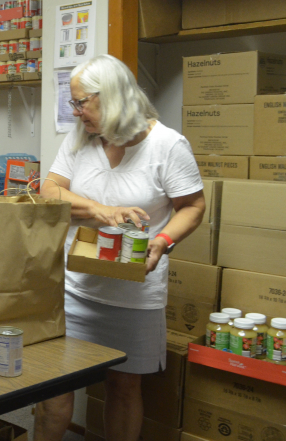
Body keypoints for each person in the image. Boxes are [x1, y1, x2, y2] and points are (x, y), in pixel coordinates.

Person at [35, 55, 205, 441]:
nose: (75, 112)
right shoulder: (80, 138)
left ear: (110, 97)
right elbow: (50, 192)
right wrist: (101, 210)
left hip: (134, 293)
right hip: (75, 287)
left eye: (81, 102)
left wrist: (162, 242)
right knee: (54, 387)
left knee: (124, 388)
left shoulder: (167, 146)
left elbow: (193, 206)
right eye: (73, 103)